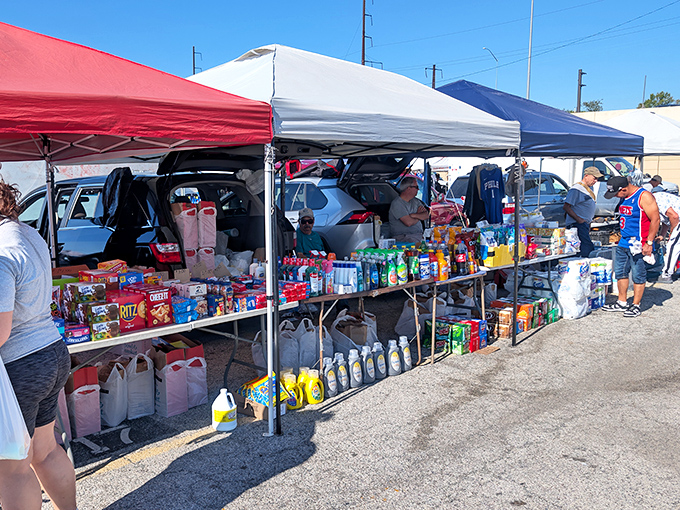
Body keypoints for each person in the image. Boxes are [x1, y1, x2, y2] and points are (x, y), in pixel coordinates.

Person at [0, 179, 76, 510]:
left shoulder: (1, 253)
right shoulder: (27, 234)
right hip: (52, 352)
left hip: (20, 366)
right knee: (46, 450)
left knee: (13, 469)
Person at [601, 176, 660, 318]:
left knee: (638, 274)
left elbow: (655, 219)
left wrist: (649, 242)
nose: (615, 196)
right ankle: (622, 301)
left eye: (616, 193)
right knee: (620, 272)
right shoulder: (624, 196)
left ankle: (636, 305)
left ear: (624, 189)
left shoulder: (644, 196)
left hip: (639, 244)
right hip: (623, 242)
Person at [563, 166, 603, 257]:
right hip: (577, 224)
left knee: (584, 248)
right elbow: (566, 207)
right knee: (586, 248)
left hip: (584, 224)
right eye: (594, 178)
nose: (596, 181)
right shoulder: (576, 189)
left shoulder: (589, 188)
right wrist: (579, 219)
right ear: (586, 176)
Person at [389, 176, 430, 243]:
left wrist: (414, 215)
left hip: (417, 236)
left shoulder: (416, 201)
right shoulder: (397, 204)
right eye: (416, 187)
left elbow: (426, 215)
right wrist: (419, 216)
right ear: (408, 188)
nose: (418, 189)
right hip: (404, 238)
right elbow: (408, 223)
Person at [651, 191, 680, 283]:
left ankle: (666, 274)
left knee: (672, 246)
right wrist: (662, 235)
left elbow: (674, 217)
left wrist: (672, 233)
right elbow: (666, 220)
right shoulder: (659, 199)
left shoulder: (656, 200)